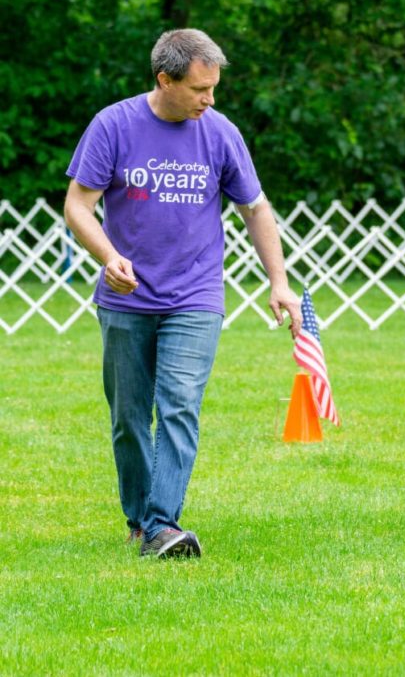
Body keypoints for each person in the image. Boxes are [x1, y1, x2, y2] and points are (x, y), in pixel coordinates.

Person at [64, 29, 301, 558]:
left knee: (179, 406)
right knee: (129, 417)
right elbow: (78, 205)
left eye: (214, 88)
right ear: (164, 80)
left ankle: (161, 527)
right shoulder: (114, 125)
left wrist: (279, 281)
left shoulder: (220, 133)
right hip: (125, 297)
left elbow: (256, 208)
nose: (209, 99)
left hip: (196, 295)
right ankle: (139, 519)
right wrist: (108, 257)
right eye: (199, 89)